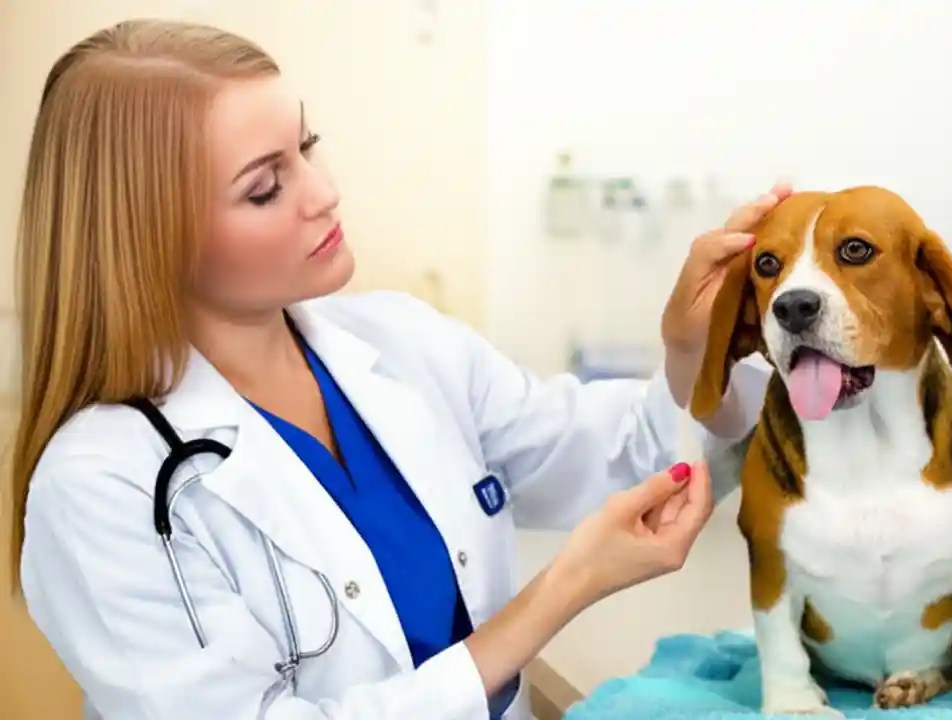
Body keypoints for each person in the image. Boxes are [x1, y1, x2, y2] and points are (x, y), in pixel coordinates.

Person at [7, 18, 783, 720]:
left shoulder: (402, 344)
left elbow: (617, 454)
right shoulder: (103, 484)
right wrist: (562, 591)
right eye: (266, 186)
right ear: (153, 237)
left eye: (306, 147)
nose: (325, 194)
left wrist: (694, 347)